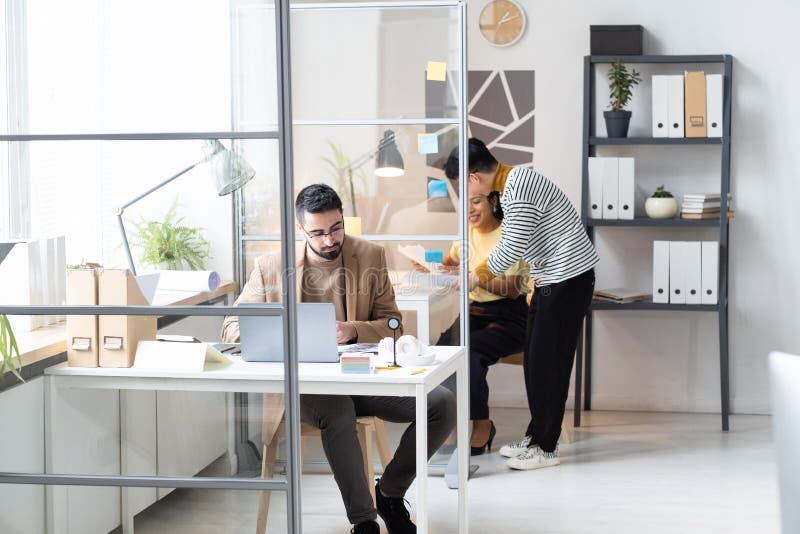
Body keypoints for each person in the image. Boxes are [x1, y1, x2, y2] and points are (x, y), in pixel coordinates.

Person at [221, 183, 456, 534]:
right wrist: (285, 335)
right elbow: (231, 328)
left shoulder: (370, 255)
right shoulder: (271, 266)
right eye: (318, 233)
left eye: (336, 229)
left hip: (360, 376)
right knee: (338, 411)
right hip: (304, 387)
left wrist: (354, 330)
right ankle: (364, 521)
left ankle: (390, 493)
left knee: (442, 403)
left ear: (342, 220)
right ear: (301, 230)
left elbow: (393, 324)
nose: (329, 240)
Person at [444, 139, 597, 471]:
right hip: (552, 280)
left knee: (548, 363)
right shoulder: (509, 184)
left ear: (473, 177)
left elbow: (512, 246)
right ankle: (536, 436)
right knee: (537, 360)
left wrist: (475, 276)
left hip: (568, 279)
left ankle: (545, 447)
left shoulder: (518, 187)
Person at [415, 179, 529, 456]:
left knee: (470, 353)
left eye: (476, 201)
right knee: (442, 350)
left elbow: (513, 288)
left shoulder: (510, 235)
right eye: (465, 203)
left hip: (511, 317)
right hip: (475, 313)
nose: (470, 209)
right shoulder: (466, 234)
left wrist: (476, 280)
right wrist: (429, 264)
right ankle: (446, 420)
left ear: (493, 202)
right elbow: (452, 263)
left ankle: (482, 424)